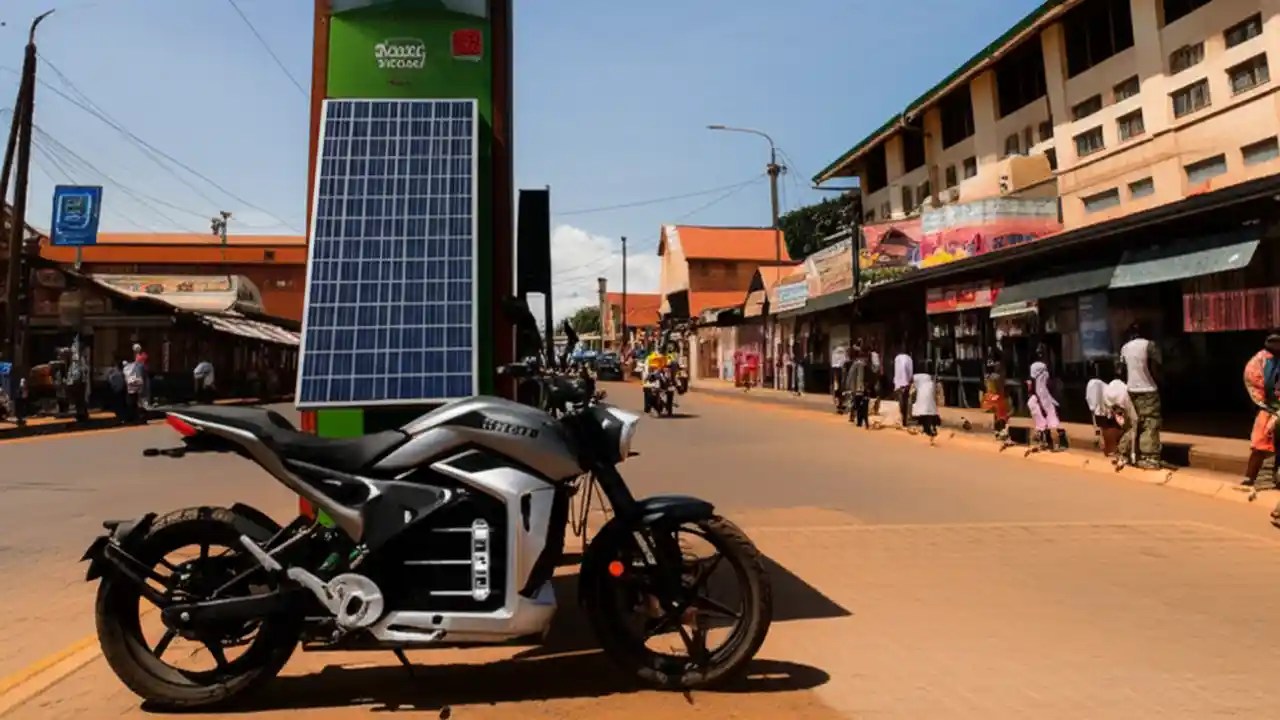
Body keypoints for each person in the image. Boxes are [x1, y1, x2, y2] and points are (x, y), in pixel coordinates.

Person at [1119, 322, 1162, 469]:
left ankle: (1129, 453)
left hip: (1131, 389)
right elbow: (1157, 366)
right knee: (1150, 422)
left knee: (1134, 423)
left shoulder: (1125, 348)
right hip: (1149, 388)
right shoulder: (1150, 345)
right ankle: (1149, 457)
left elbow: (1120, 370)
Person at [1243, 335, 1280, 496]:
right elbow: (1253, 380)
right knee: (1259, 444)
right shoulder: (1261, 360)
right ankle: (1250, 477)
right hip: (1268, 407)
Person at [1027, 344, 1063, 452]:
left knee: (1040, 420)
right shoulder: (1046, 367)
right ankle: (1055, 445)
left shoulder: (1034, 366)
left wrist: (1031, 392)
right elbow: (1049, 383)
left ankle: (1041, 442)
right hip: (1045, 396)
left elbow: (1031, 383)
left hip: (1037, 396)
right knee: (1051, 420)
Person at [1103, 378, 1137, 468]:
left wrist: (1133, 453)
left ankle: (1128, 454)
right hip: (1122, 412)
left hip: (1129, 413)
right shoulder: (1109, 398)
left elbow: (1134, 423)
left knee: (1132, 431)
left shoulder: (1127, 401)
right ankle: (1124, 454)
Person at [981, 347, 1011, 444]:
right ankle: (1002, 432)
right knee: (1002, 414)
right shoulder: (998, 371)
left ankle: (998, 432)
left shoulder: (989, 372)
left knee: (998, 414)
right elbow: (998, 382)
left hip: (991, 395)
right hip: (996, 395)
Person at [909, 359, 939, 445]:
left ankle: (926, 430)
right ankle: (930, 429)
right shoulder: (931, 377)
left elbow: (910, 380)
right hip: (930, 401)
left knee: (923, 412)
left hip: (922, 399)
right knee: (929, 413)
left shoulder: (918, 376)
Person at [846, 340, 871, 428]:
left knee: (857, 404)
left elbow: (850, 375)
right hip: (859, 389)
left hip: (856, 388)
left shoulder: (856, 363)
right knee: (862, 405)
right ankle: (862, 421)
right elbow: (860, 378)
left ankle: (858, 420)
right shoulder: (861, 364)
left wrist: (849, 386)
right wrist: (861, 388)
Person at [893, 345, 914, 428]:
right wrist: (910, 381)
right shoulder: (909, 359)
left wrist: (895, 381)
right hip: (906, 383)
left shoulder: (897, 358)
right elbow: (910, 372)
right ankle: (904, 420)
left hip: (898, 383)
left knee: (900, 401)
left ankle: (902, 418)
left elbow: (895, 370)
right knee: (905, 401)